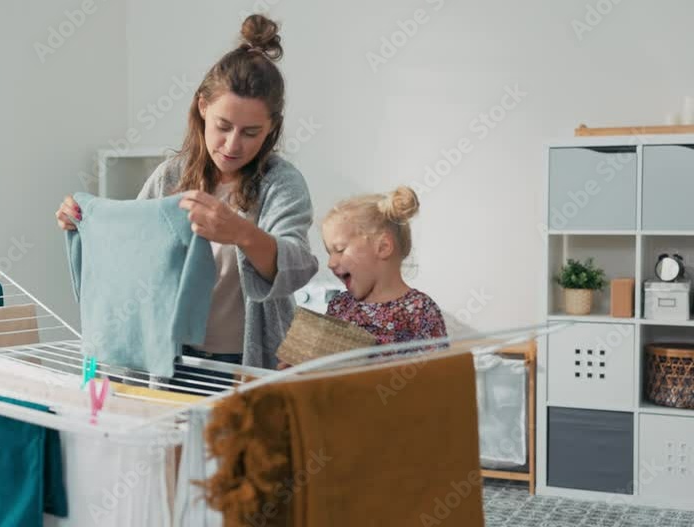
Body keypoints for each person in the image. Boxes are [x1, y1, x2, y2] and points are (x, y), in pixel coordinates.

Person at [56, 14, 317, 377]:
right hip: (175, 356)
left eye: (251, 132)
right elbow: (133, 247)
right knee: (173, 435)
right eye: (223, 127)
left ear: (272, 128)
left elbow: (298, 266)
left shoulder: (282, 183)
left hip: (247, 360)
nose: (232, 145)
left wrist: (240, 232)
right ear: (202, 106)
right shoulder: (171, 177)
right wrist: (83, 222)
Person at [320, 186, 447, 347]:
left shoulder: (420, 311)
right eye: (329, 253)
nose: (330, 263)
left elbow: (440, 370)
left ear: (383, 247)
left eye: (339, 250)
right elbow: (324, 364)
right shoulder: (340, 307)